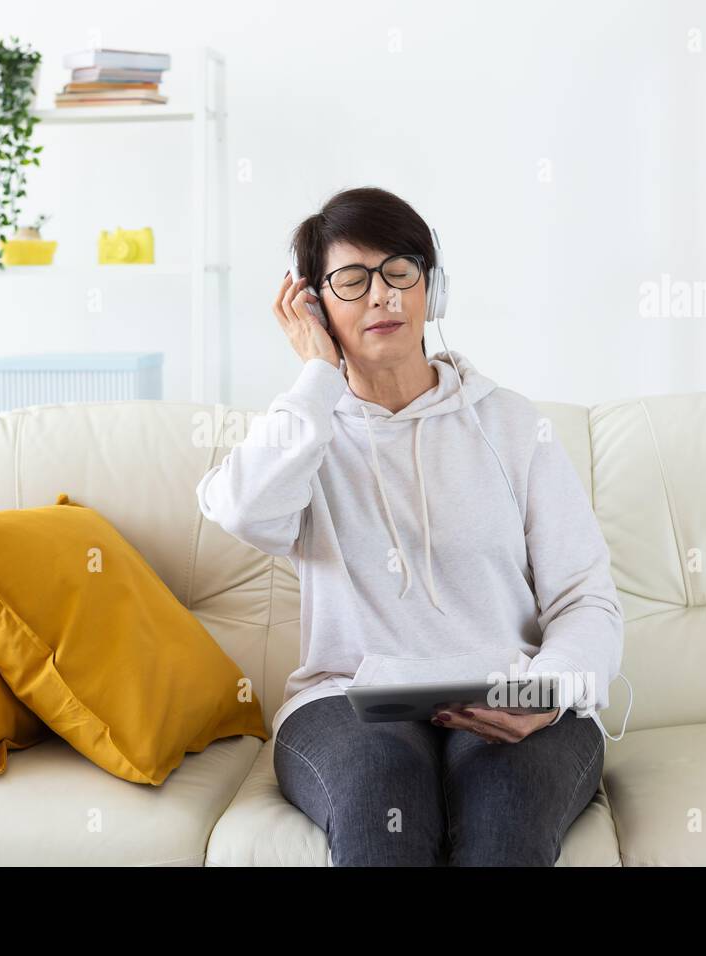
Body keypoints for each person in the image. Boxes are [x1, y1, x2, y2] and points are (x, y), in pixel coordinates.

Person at [194, 186, 625, 866]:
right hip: (346, 701)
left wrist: (550, 692)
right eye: (350, 280)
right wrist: (315, 377)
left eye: (400, 269)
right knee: (380, 794)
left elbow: (586, 600)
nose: (381, 295)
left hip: (512, 688)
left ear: (434, 289)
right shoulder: (303, 432)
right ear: (313, 306)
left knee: (504, 809)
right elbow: (243, 511)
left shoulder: (513, 425)